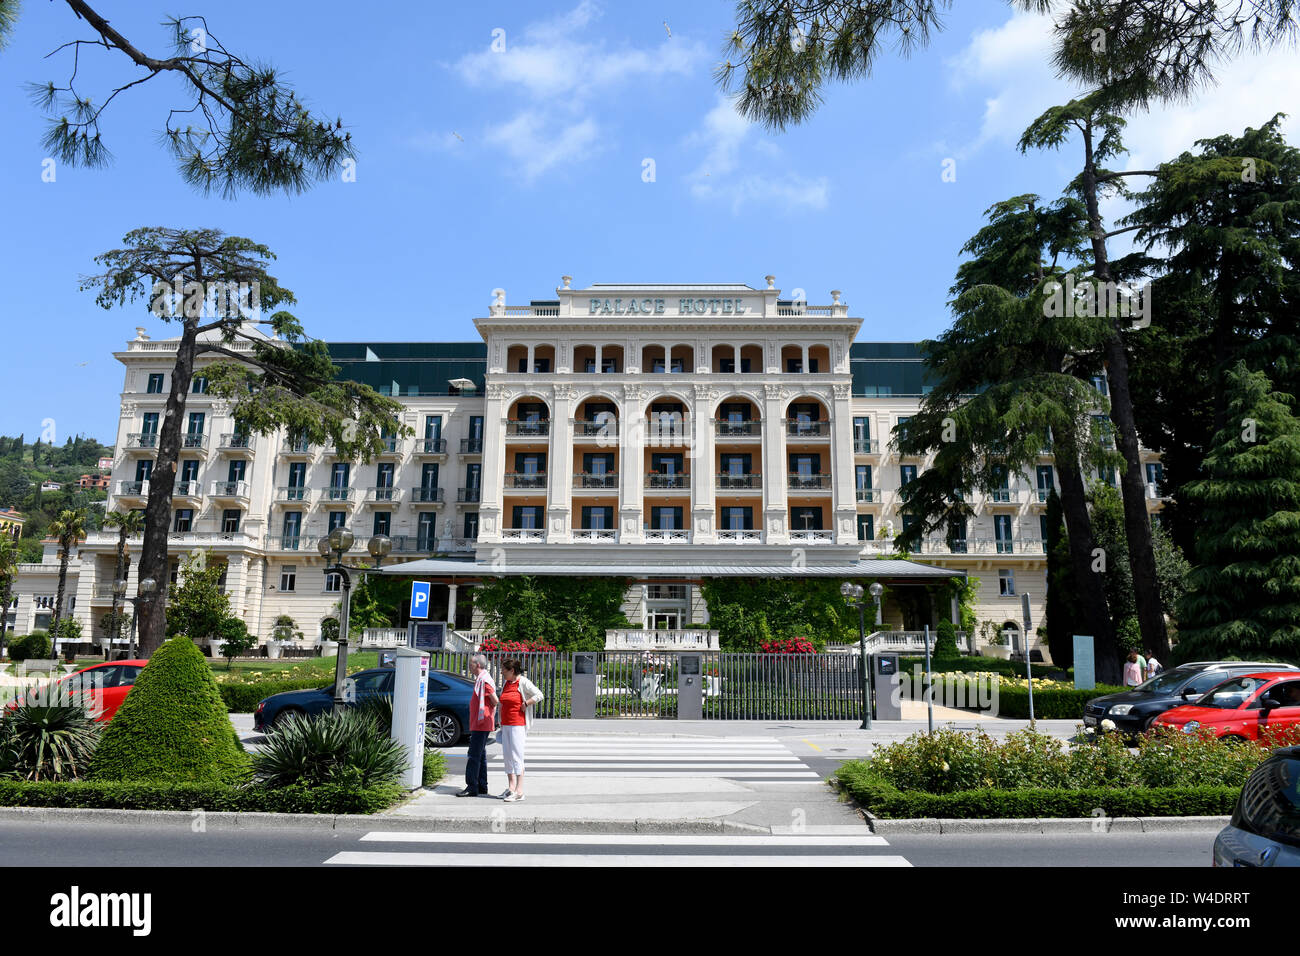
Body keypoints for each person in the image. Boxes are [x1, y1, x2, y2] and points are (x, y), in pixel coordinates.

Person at [496, 657, 545, 803]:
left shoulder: (522, 682)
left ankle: (519, 791)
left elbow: (539, 695)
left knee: (517, 756)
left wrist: (527, 703)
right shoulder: (507, 683)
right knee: (507, 756)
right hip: (506, 724)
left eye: (504, 671)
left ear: (512, 671)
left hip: (518, 724)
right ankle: (511, 788)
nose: (502, 673)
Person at [457, 654, 497, 797]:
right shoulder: (482, 679)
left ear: (478, 665)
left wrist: (487, 712)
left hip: (482, 723)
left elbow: (495, 700)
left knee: (473, 755)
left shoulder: (484, 681)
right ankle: (481, 785)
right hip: (480, 723)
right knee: (480, 755)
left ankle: (472, 787)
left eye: (471, 664)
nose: (469, 667)